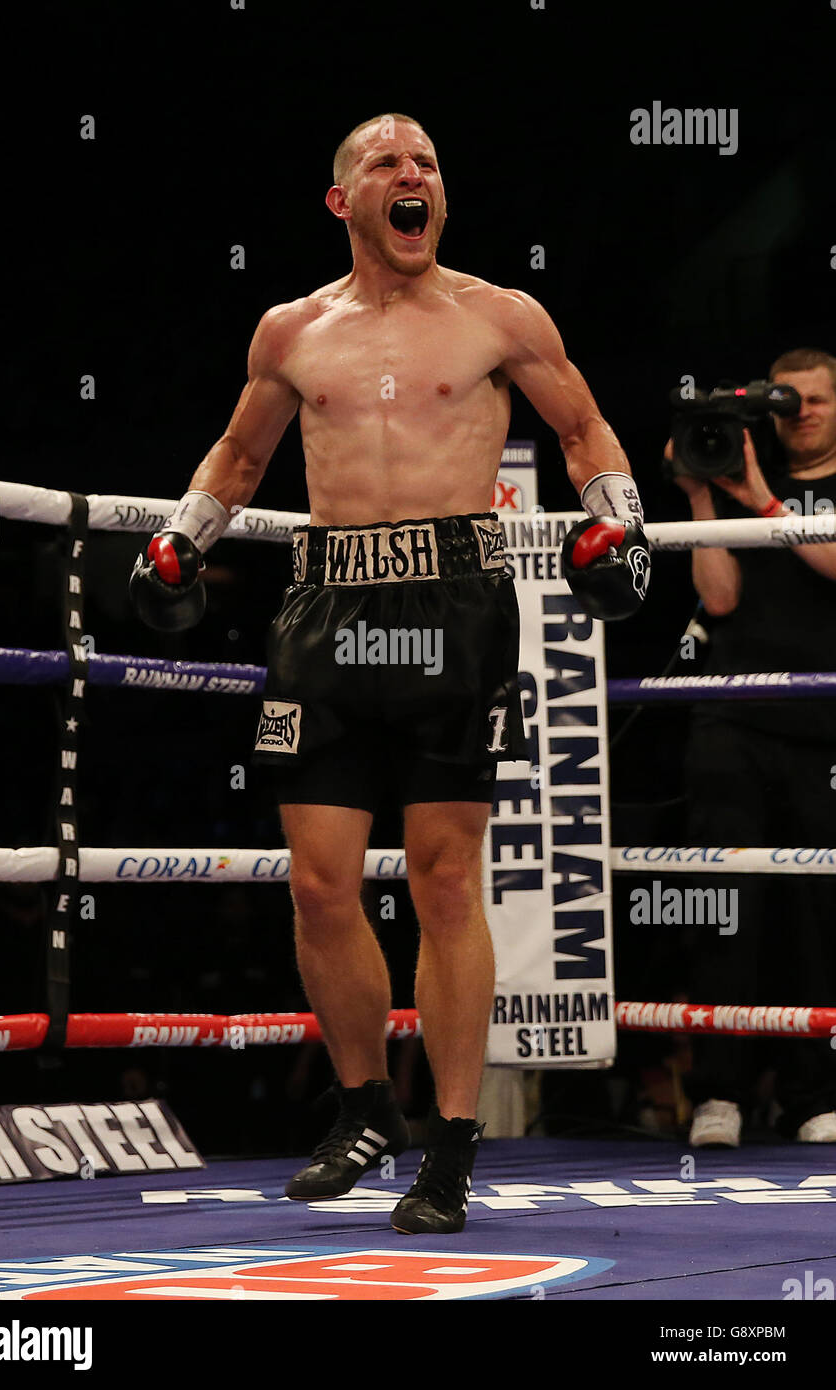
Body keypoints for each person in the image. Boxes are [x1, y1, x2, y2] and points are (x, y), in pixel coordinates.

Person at [130, 113, 649, 1231]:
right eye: (387, 164)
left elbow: (585, 428)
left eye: (427, 165)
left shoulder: (499, 315)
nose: (413, 177)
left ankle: (451, 1146)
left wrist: (624, 526)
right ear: (343, 200)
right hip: (326, 606)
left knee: (444, 875)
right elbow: (239, 454)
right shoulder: (289, 329)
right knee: (318, 883)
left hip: (455, 604)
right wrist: (180, 538)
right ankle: (366, 1106)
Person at [671, 348, 836, 1148]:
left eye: (813, 399)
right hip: (733, 719)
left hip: (821, 731)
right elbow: (719, 596)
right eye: (785, 401)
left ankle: (813, 1094)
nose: (799, 412)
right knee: (723, 906)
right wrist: (705, 493)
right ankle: (719, 1092)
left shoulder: (777, 492)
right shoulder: (735, 483)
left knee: (817, 917)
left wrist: (763, 500)